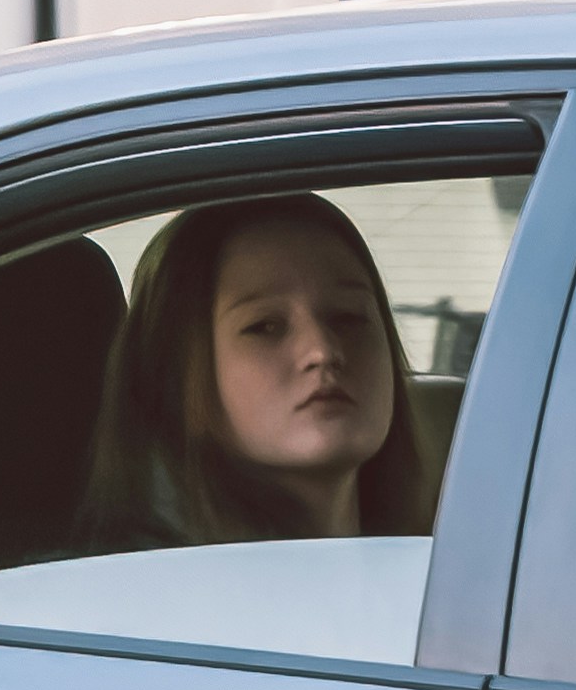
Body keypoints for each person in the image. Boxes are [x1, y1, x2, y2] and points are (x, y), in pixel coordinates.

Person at [76, 192, 437, 549]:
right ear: (174, 375)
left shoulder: (452, 561)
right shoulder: (135, 592)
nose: (323, 351)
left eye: (348, 316)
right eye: (265, 326)